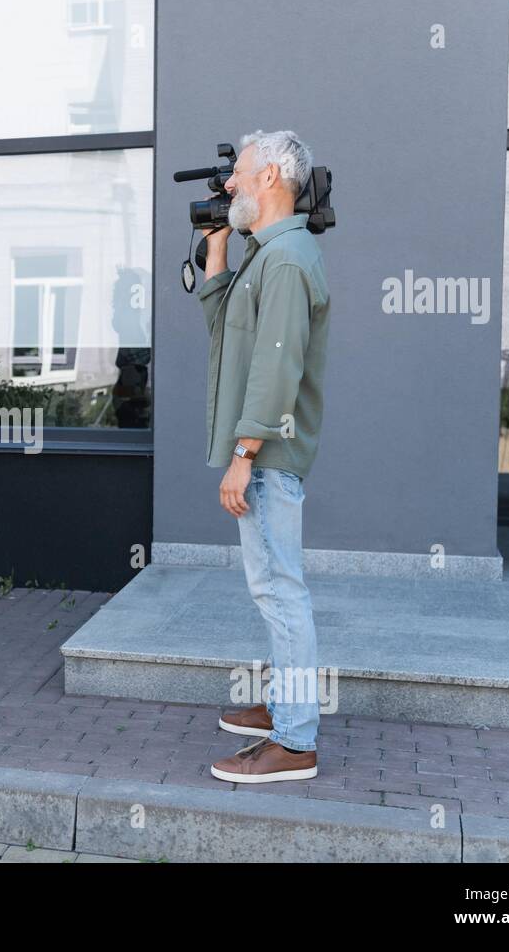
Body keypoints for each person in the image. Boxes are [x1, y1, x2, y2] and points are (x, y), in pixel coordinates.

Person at [195, 130, 331, 783]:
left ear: (271, 176)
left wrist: (244, 452)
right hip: (263, 452)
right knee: (274, 588)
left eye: (241, 173)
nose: (229, 184)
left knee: (280, 592)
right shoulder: (266, 253)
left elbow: (277, 367)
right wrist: (217, 249)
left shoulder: (287, 260)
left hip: (268, 454)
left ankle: (295, 740)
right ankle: (283, 705)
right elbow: (226, 333)